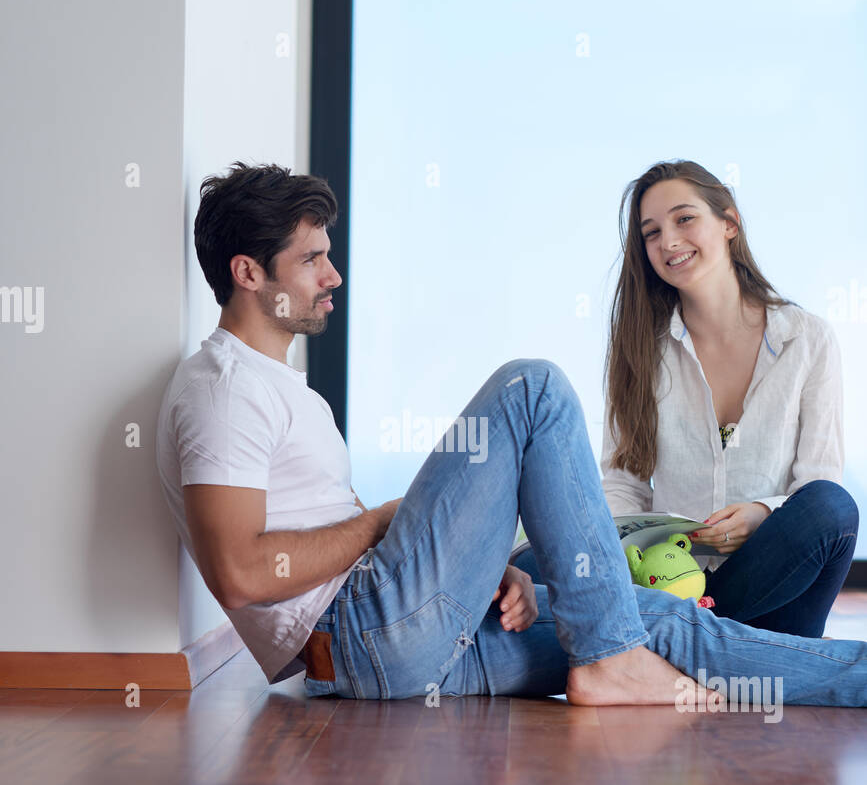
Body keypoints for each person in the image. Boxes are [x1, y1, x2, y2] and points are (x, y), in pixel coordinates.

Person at [156, 162, 867, 709]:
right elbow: (241, 573)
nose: (332, 274)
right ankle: (610, 657)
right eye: (311, 259)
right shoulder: (227, 387)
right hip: (364, 636)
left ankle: (632, 657)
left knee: (661, 621)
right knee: (532, 387)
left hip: (403, 643)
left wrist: (485, 567)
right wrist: (380, 522)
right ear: (248, 273)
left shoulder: (279, 387)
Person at [598, 159, 858, 638]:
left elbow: (818, 480)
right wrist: (641, 555)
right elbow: (622, 486)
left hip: (775, 591)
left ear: (729, 223)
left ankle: (688, 641)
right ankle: (718, 646)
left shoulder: (808, 339)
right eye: (651, 233)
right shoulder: (639, 350)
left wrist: (762, 513)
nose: (669, 242)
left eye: (684, 218)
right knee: (539, 556)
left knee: (832, 507)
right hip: (676, 583)